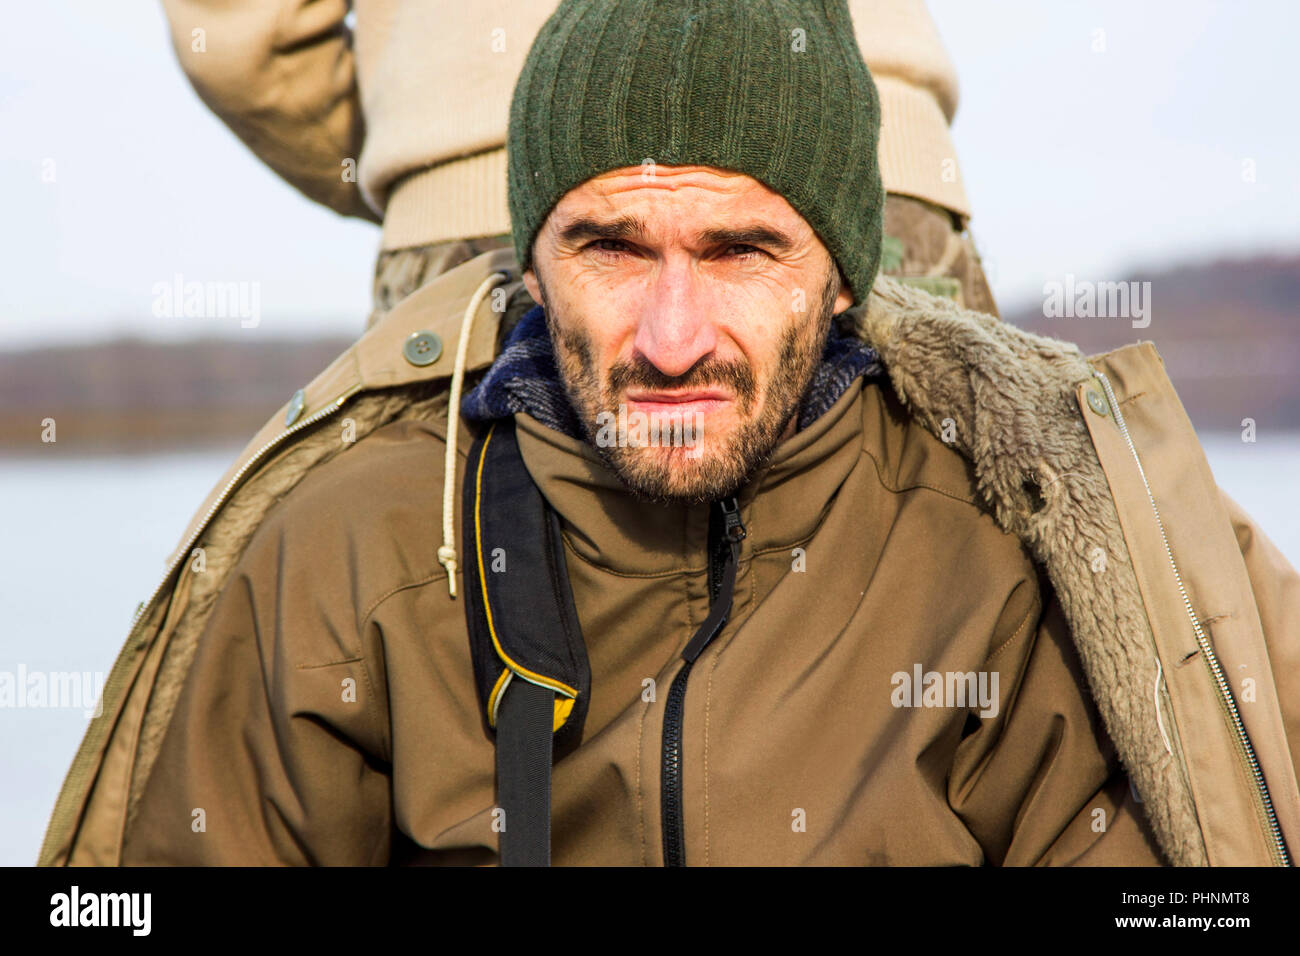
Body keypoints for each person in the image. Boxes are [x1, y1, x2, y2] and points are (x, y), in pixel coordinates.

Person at [41, 0, 1300, 866]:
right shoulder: (342, 554)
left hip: (500, 161)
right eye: (610, 251)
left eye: (741, 253)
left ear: (845, 274)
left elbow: (244, 38)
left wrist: (426, 128)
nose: (672, 331)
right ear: (531, 265)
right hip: (781, 164)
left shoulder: (994, 552)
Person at [156, 0, 998, 325]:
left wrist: (437, 154)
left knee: (448, 665)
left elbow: (237, 39)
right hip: (884, 172)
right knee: (958, 634)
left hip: (471, 209)